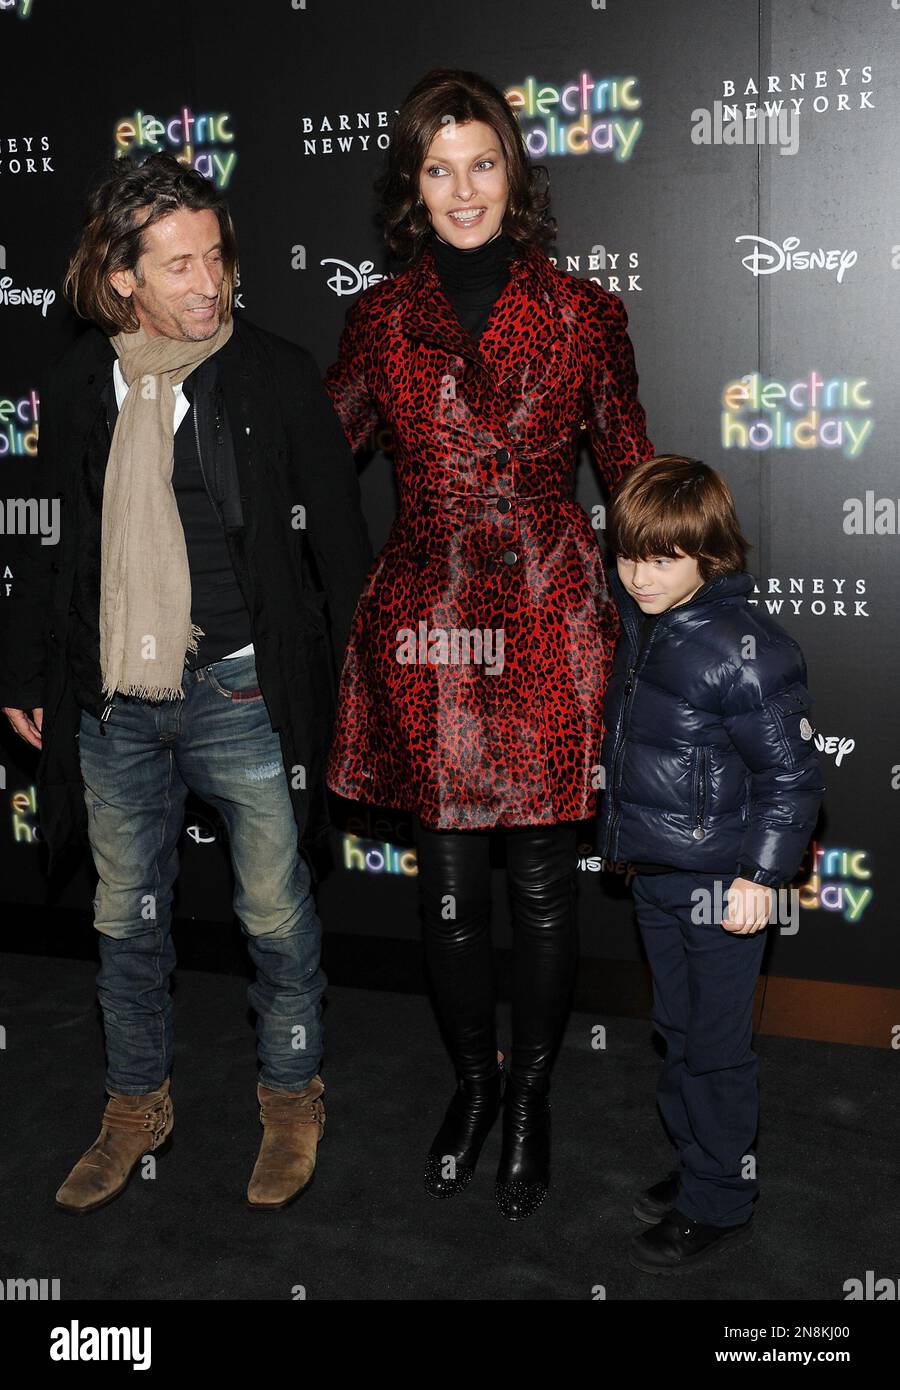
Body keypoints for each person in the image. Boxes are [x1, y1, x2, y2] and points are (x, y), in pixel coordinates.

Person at [0, 152, 373, 1214]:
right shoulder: (81, 381)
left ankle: (293, 1097)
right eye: (179, 264)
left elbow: (340, 551)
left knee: (273, 911)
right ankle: (132, 1106)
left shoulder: (272, 371)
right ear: (122, 276)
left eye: (216, 256)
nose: (209, 282)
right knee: (125, 918)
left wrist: (352, 688)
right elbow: (54, 539)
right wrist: (26, 666)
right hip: (112, 695)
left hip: (243, 690)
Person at [324, 68, 655, 1219]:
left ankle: (534, 1097)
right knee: (451, 897)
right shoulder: (376, 317)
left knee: (546, 894)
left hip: (553, 621)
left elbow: (634, 480)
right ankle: (475, 1081)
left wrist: (695, 614)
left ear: (513, 173)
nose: (463, 188)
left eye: (482, 162)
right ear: (412, 185)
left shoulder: (584, 314)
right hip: (431, 626)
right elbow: (320, 462)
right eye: (437, 166)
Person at [597, 454, 825, 1270]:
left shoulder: (749, 647)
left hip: (721, 884)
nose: (640, 575)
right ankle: (701, 1161)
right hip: (657, 874)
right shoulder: (644, 624)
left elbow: (793, 777)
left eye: (663, 559)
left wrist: (762, 878)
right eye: (628, 555)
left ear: (710, 554)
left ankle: (721, 1202)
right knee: (677, 1033)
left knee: (717, 1049)